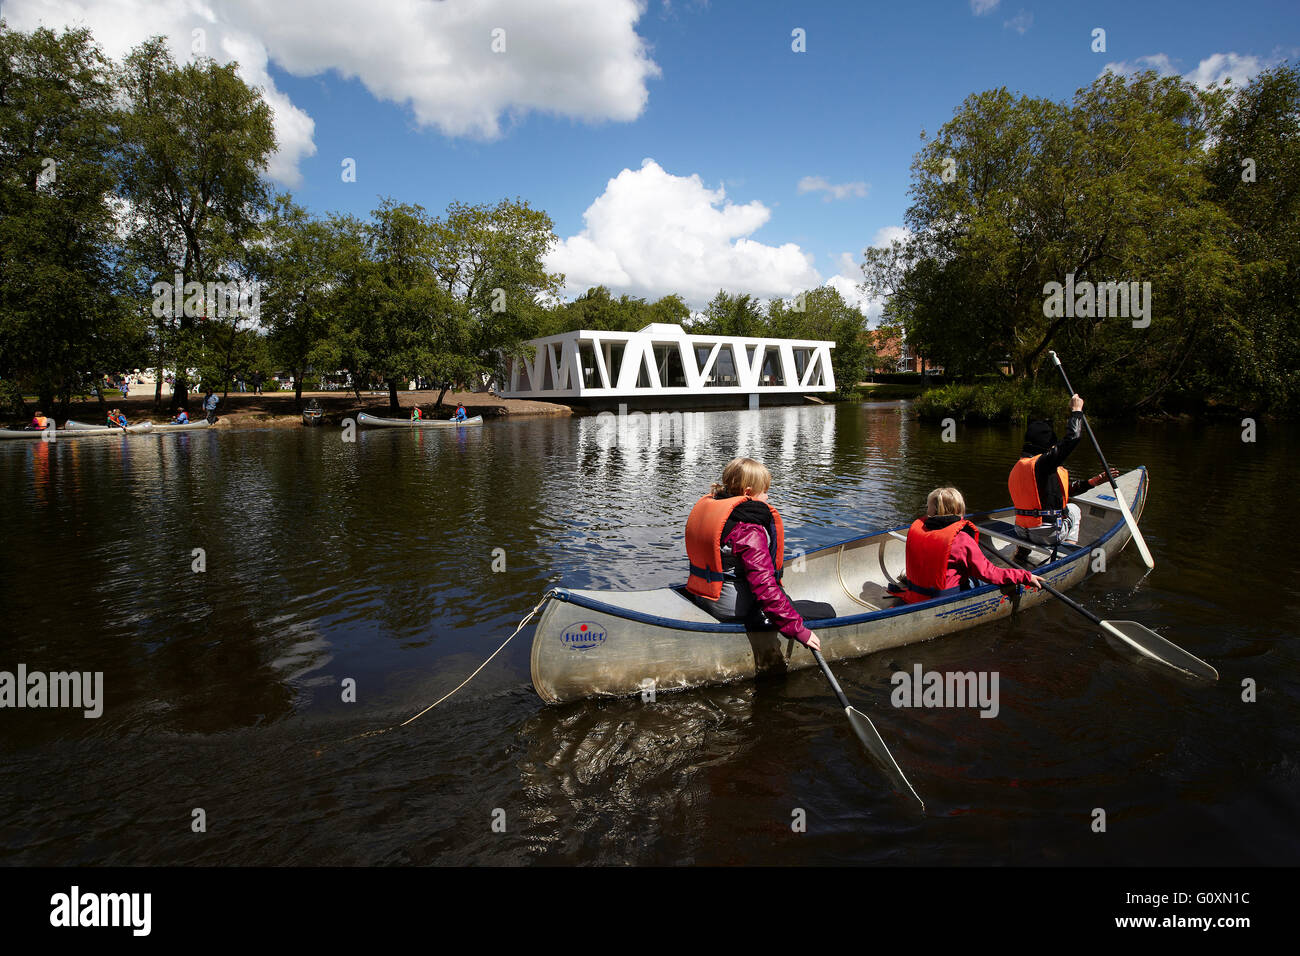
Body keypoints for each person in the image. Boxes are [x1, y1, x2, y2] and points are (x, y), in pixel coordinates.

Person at [685, 457, 821, 651]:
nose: (767, 497)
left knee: (788, 601)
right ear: (748, 492)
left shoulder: (717, 513)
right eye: (765, 492)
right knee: (826, 610)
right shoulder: (748, 529)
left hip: (703, 597)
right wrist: (799, 630)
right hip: (732, 608)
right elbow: (764, 585)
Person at [1009, 394, 1119, 563]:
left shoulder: (1020, 466)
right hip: (1046, 534)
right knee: (1073, 510)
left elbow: (1060, 491)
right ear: (1046, 446)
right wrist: (1076, 411)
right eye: (1052, 445)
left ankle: (1022, 553)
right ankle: (1069, 555)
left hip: (1021, 531)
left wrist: (1094, 482)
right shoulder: (1042, 463)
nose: (1054, 448)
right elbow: (1072, 438)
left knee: (1046, 512)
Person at [892, 487, 1045, 604]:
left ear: (933, 512)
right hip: (942, 596)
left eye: (927, 507)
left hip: (916, 593)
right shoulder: (961, 539)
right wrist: (1024, 576)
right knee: (983, 577)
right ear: (959, 510)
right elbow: (989, 573)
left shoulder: (922, 530)